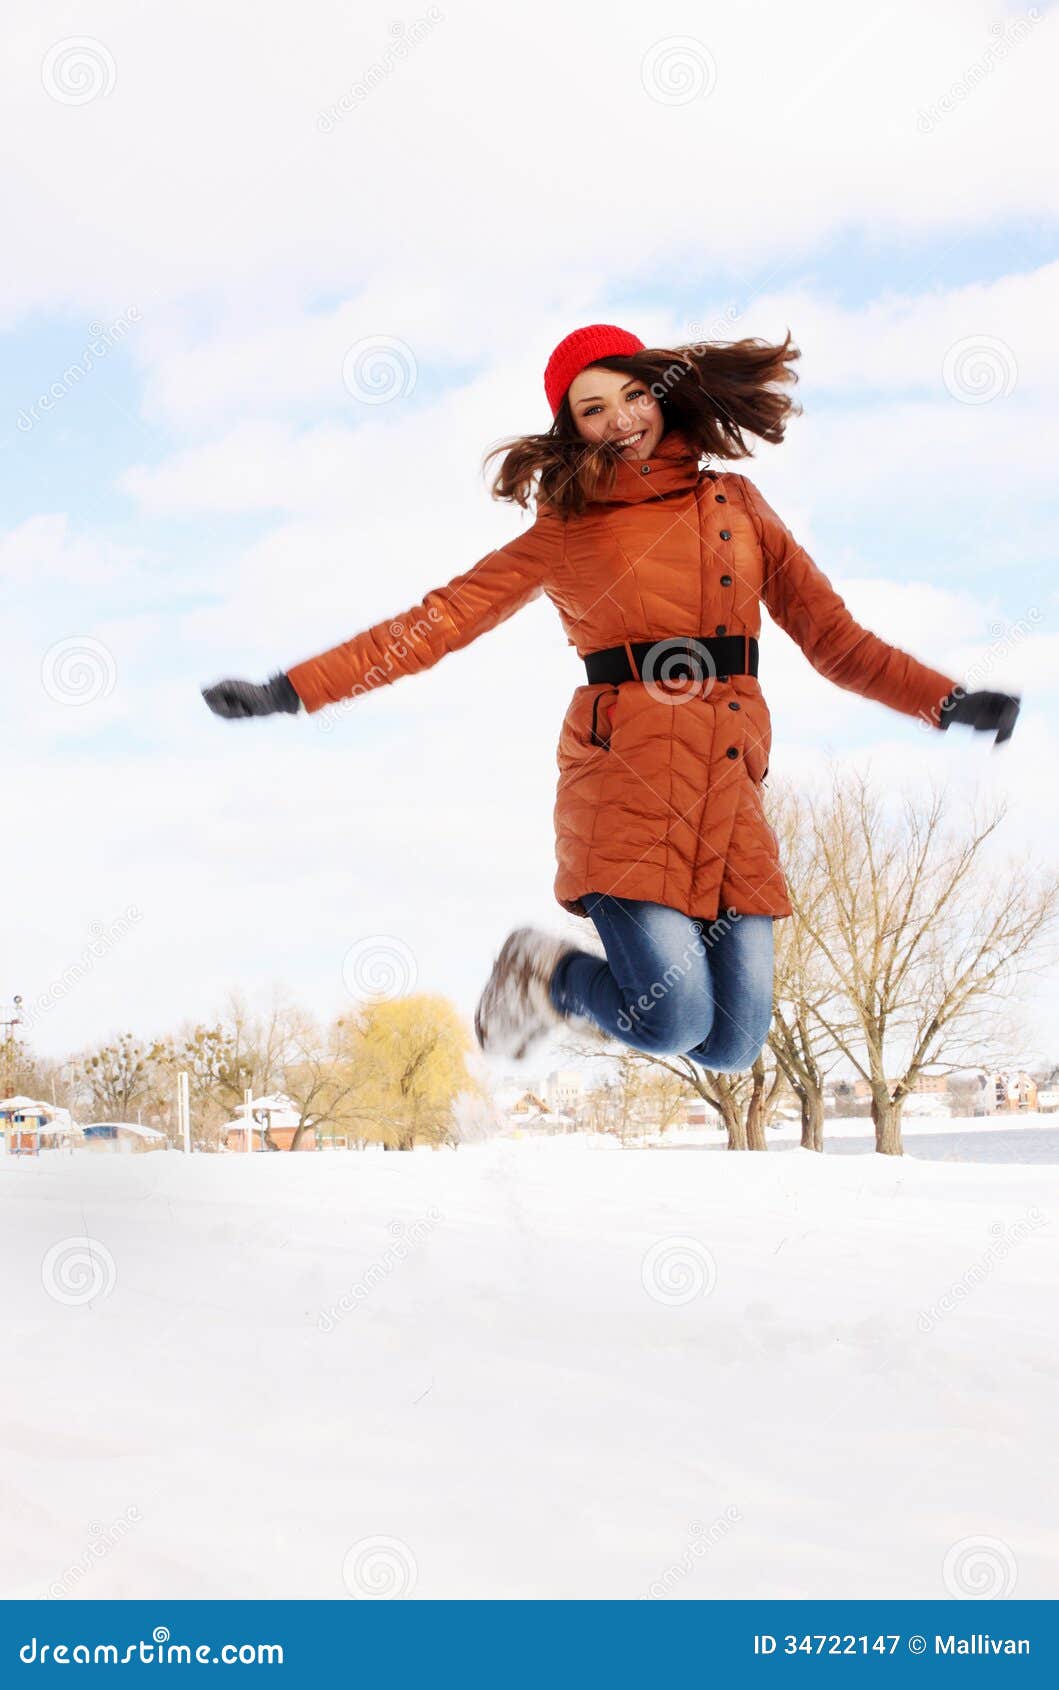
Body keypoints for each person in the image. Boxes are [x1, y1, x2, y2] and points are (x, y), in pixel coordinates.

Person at [202, 324, 1020, 1068]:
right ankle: (543, 970)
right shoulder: (565, 530)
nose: (621, 418)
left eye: (632, 394)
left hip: (730, 791)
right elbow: (439, 621)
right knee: (668, 1021)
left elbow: (834, 639)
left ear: (659, 391)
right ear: (571, 428)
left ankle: (558, 974)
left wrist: (945, 702)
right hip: (625, 788)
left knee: (731, 1046)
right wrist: (292, 689)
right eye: (591, 408)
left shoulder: (736, 503)